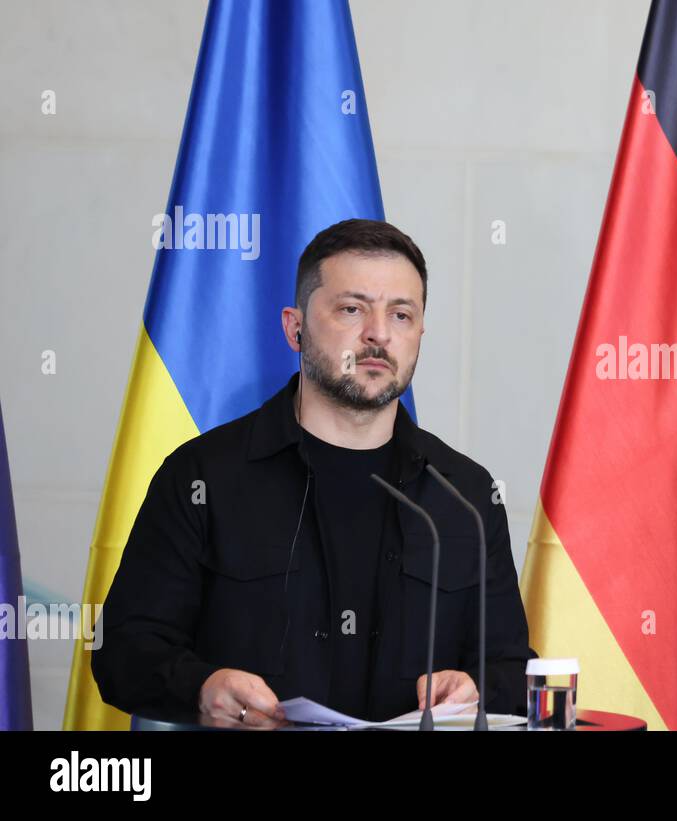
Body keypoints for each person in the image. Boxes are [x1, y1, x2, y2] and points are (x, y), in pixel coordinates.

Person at [93, 219, 534, 728]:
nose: (379, 333)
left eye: (402, 314)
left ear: (418, 334)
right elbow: (122, 652)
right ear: (294, 327)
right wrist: (202, 687)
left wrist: (476, 688)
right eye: (352, 309)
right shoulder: (202, 478)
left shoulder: (465, 494)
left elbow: (513, 667)